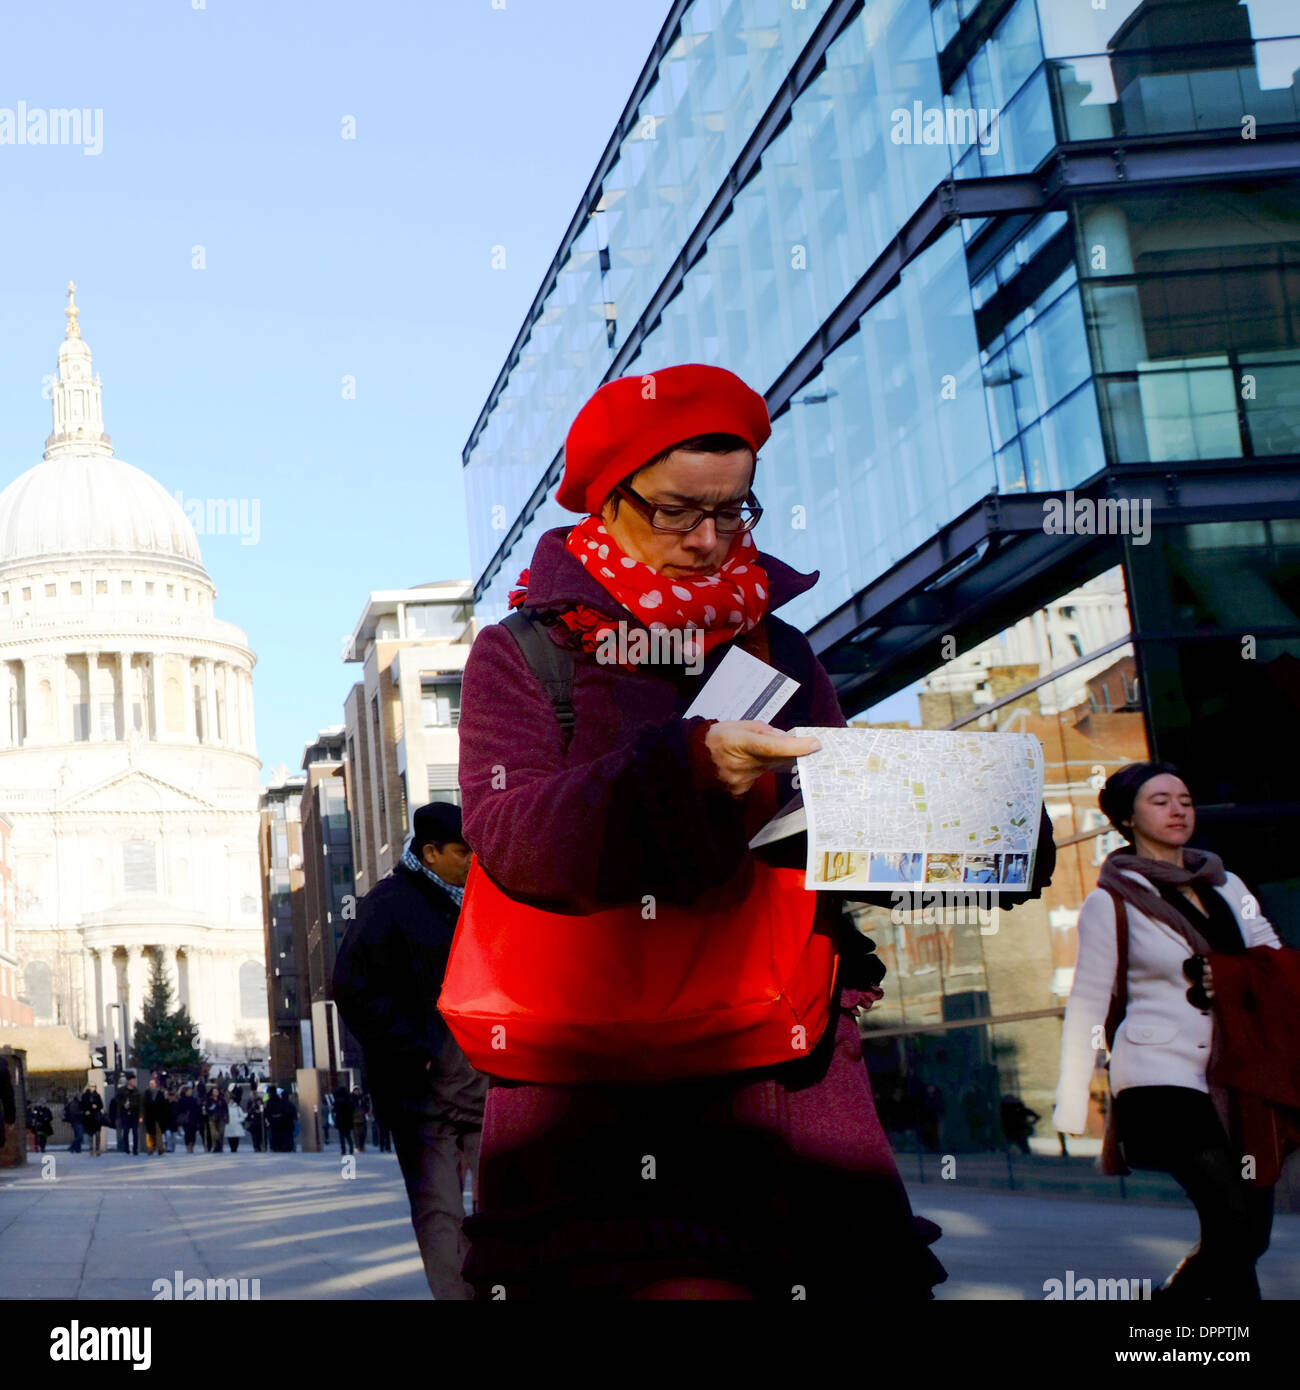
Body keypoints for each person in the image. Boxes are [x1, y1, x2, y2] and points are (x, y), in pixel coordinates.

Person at [448, 364, 950, 1300]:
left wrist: (952, 829)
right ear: (608, 499)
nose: (710, 541)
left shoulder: (779, 644)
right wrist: (691, 770)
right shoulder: (524, 652)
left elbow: (830, 826)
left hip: (785, 1063)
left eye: (733, 511)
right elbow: (508, 831)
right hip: (596, 1089)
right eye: (678, 511)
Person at [1054, 761, 1287, 1300]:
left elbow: (1272, 959)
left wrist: (1231, 975)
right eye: (1160, 801)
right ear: (1127, 818)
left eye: (1184, 799)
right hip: (1159, 1076)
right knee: (1230, 1221)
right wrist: (1072, 1095)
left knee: (1250, 1234)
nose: (1178, 810)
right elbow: (1089, 999)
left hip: (1238, 1072)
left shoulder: (1228, 885)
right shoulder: (1110, 901)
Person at [334, 801, 489, 1300]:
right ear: (431, 853)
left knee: (504, 1202)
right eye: (462, 852)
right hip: (421, 1096)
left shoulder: (478, 899)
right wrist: (419, 1050)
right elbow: (351, 988)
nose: (472, 861)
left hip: (483, 1084)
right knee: (439, 1211)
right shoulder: (386, 905)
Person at [143, 1076, 169, 1157]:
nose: (152, 1085)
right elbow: (144, 1104)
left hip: (159, 1115)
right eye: (151, 1083)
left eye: (153, 1083)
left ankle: (160, 1148)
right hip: (149, 1115)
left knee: (159, 1132)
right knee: (150, 1133)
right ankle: (151, 1148)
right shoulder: (146, 1093)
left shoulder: (161, 1093)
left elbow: (164, 1104)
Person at [116, 1076, 141, 1155]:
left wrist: (139, 1114)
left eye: (134, 1080)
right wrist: (123, 1104)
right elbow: (117, 1100)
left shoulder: (137, 1091)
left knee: (135, 1133)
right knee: (125, 1132)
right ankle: (126, 1148)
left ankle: (135, 1149)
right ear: (129, 1081)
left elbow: (139, 1103)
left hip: (134, 1114)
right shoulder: (122, 1090)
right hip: (125, 1114)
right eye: (132, 1080)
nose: (134, 1082)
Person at [176, 1085, 202, 1152]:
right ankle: (188, 1146)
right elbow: (179, 1109)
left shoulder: (194, 1099)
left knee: (193, 1133)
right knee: (187, 1133)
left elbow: (198, 1108)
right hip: (186, 1119)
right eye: (189, 1091)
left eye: (191, 1091)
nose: (190, 1092)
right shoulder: (181, 1100)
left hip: (193, 1118)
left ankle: (192, 1145)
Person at [81, 1084, 104, 1157]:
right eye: (91, 1086)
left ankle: (97, 1149)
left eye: (94, 1086)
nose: (93, 1088)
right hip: (89, 1118)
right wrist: (87, 1110)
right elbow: (83, 1106)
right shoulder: (85, 1096)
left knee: (97, 1134)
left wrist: (97, 1106)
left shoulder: (97, 1095)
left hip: (96, 1117)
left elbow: (101, 1105)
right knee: (90, 1134)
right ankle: (91, 1149)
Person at [332, 1084, 355, 1156]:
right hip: (348, 1120)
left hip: (340, 1120)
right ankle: (351, 1148)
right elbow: (352, 1109)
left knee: (341, 1136)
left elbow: (334, 1110)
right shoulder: (349, 1100)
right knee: (348, 1135)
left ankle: (343, 1150)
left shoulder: (337, 1101)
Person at [351, 1087, 368, 1154]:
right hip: (354, 1119)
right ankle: (357, 1146)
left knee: (362, 1133)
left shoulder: (362, 1098)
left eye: (358, 1090)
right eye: (356, 1090)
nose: (357, 1092)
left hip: (362, 1118)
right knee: (356, 1134)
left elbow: (366, 1107)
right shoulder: (351, 1098)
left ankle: (361, 1146)